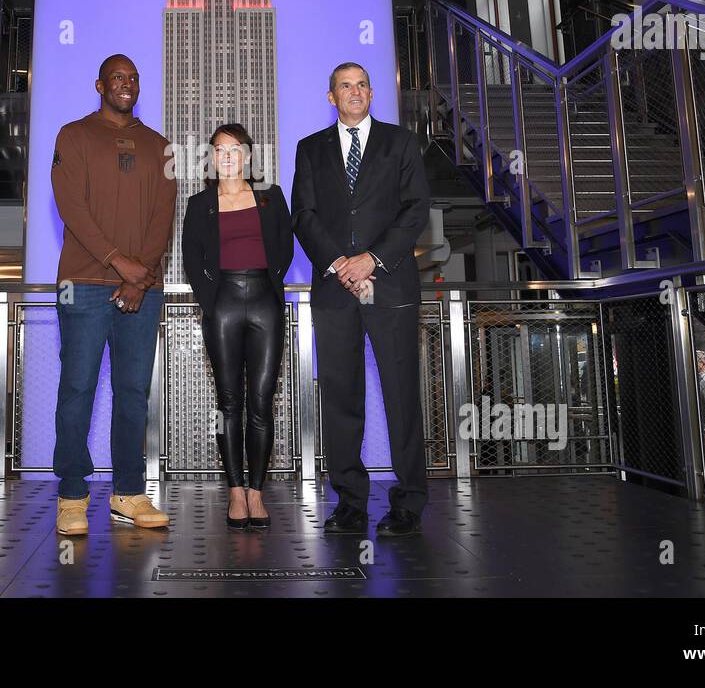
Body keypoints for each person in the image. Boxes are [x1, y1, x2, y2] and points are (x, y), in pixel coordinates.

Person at [291, 62, 431, 537]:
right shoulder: (310, 149)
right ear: (331, 97)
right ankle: (350, 501)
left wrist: (371, 258)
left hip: (389, 286)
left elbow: (416, 210)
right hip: (334, 290)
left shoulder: (401, 143)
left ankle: (409, 501)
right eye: (345, 86)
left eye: (362, 85)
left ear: (372, 93)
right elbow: (303, 214)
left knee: (401, 395)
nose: (355, 92)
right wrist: (338, 262)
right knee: (340, 398)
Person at [49, 54, 177, 535]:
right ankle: (72, 495)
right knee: (76, 390)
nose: (127, 84)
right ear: (100, 83)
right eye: (118, 77)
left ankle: (128, 493)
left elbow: (162, 220)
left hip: (142, 291)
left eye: (134, 78)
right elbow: (71, 208)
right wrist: (120, 264)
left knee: (132, 395)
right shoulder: (73, 135)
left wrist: (137, 278)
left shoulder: (161, 147)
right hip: (81, 286)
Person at [182, 123, 293, 530]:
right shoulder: (199, 204)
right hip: (223, 304)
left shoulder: (271, 197)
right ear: (212, 158)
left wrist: (270, 282)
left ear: (248, 155)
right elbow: (192, 258)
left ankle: (257, 494)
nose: (227, 156)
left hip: (265, 301)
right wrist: (210, 301)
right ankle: (234, 493)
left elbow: (284, 245)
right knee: (229, 402)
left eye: (235, 149)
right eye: (219, 149)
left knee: (262, 402)